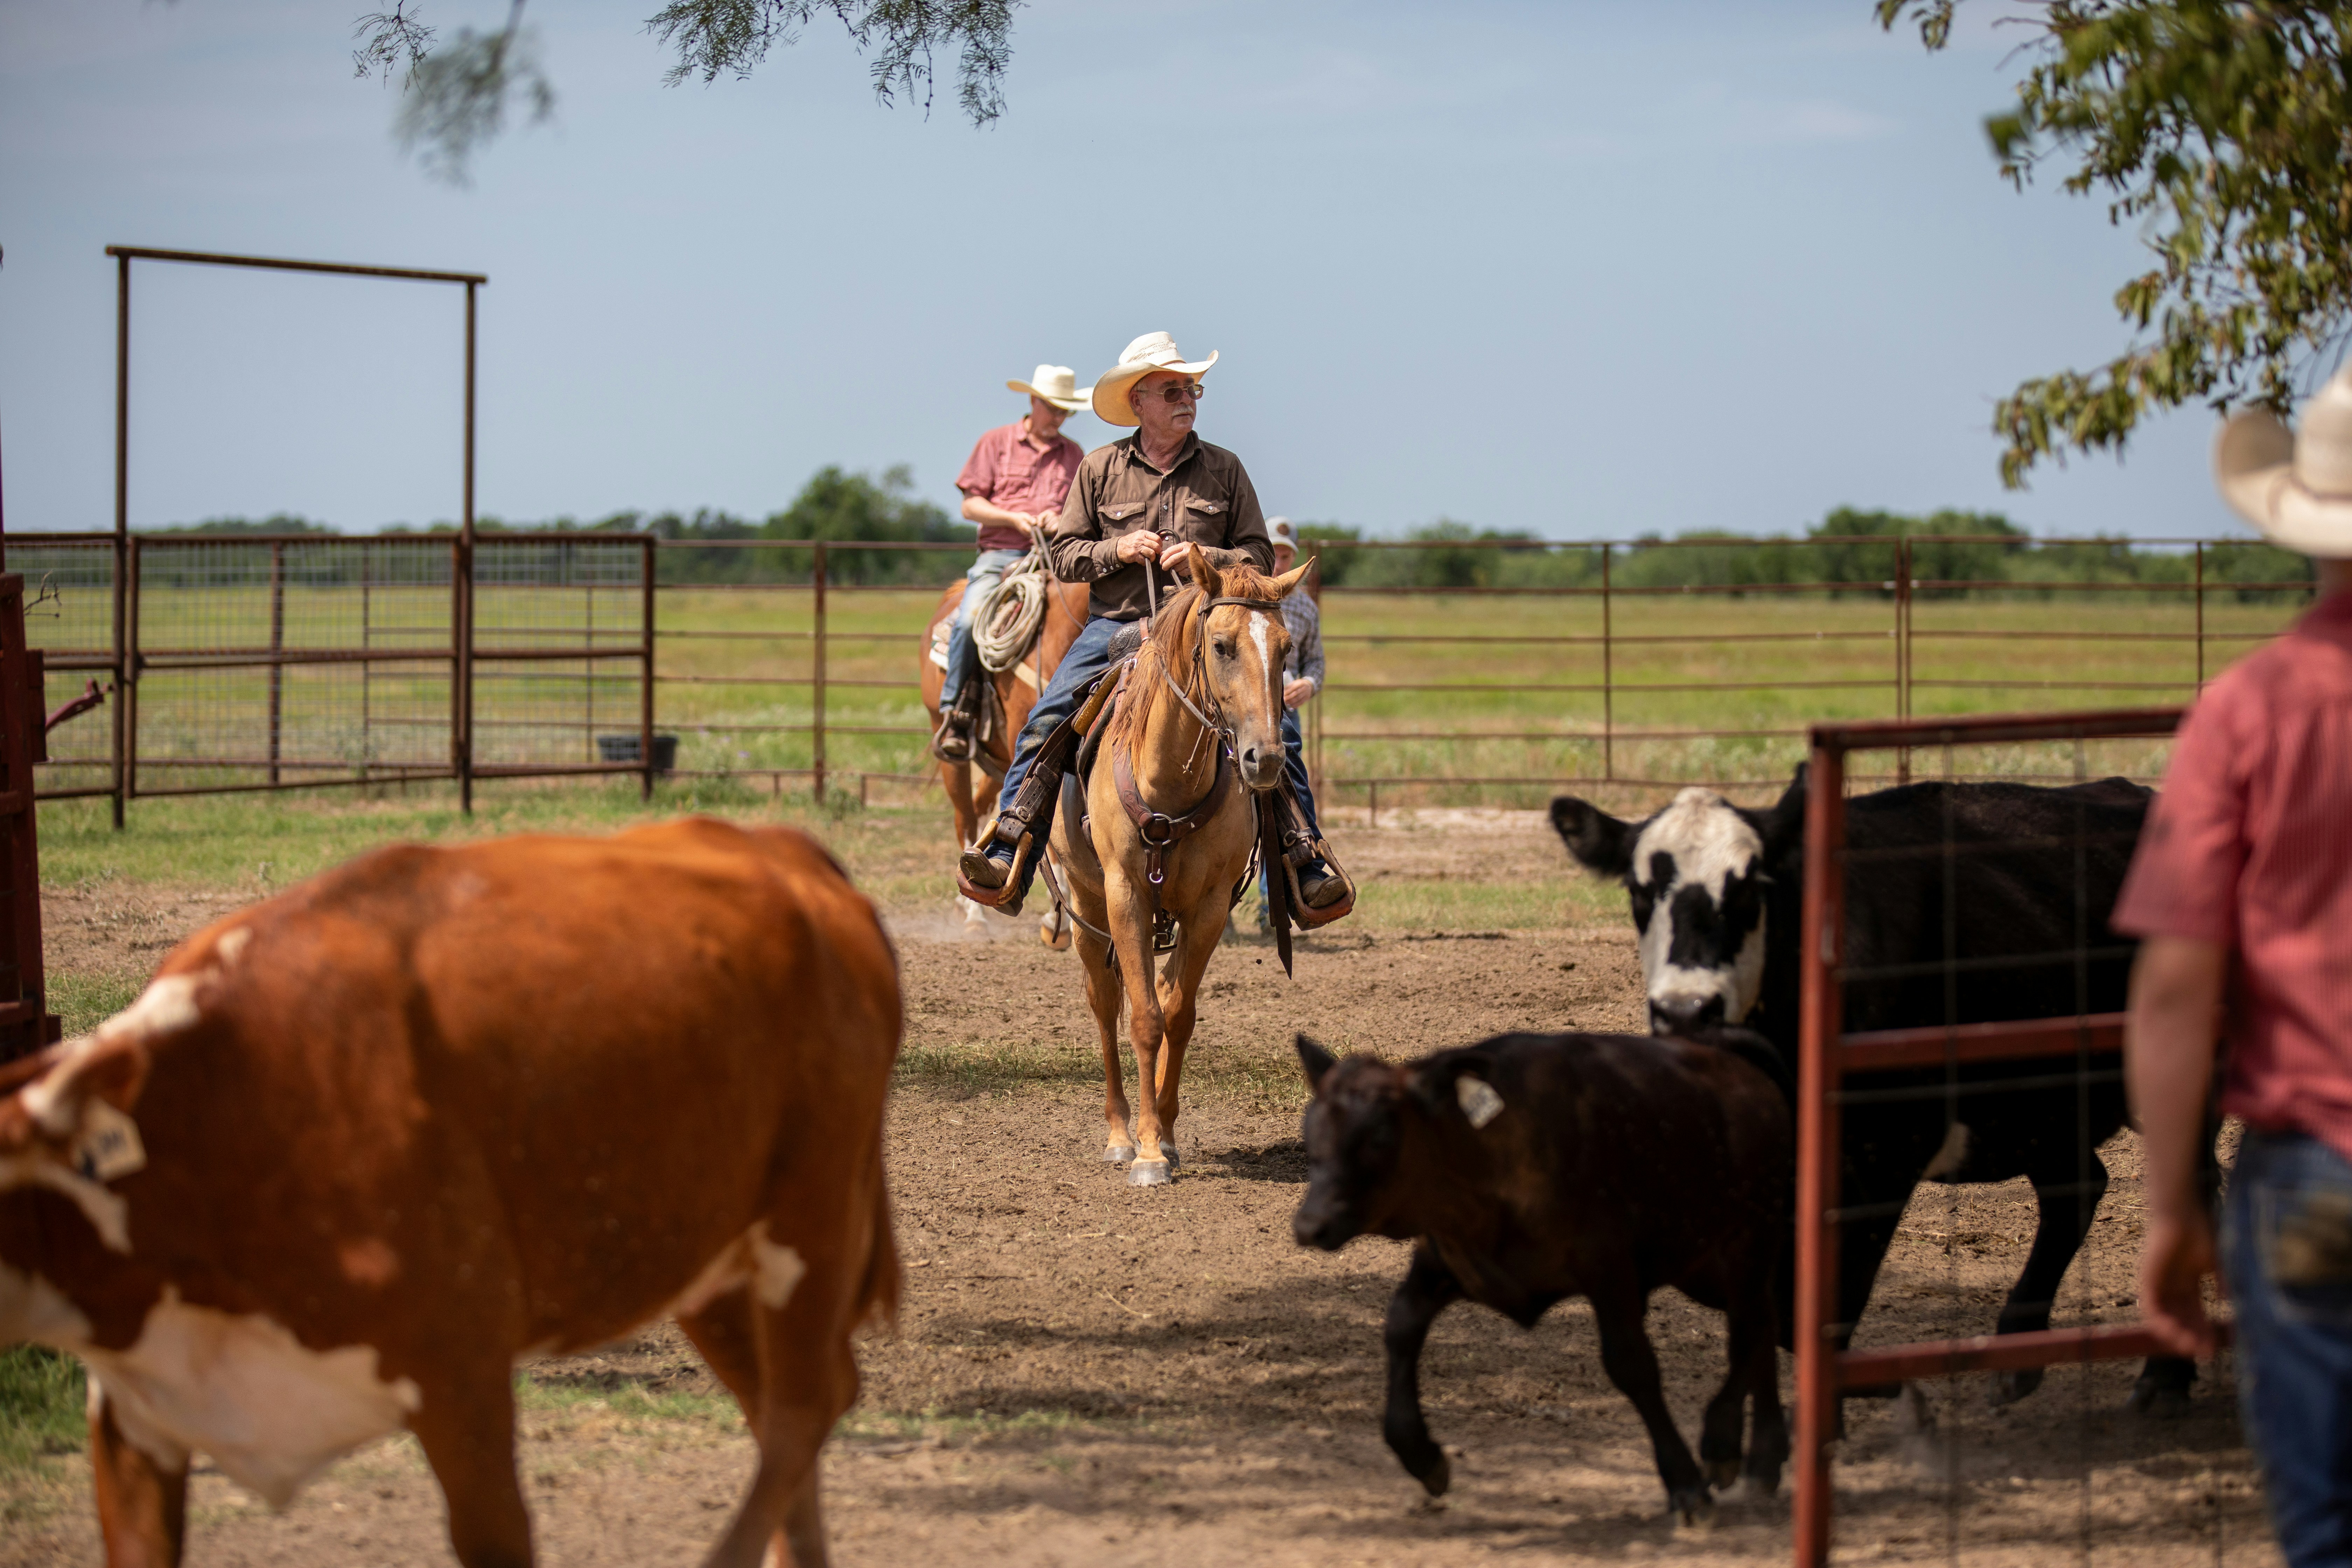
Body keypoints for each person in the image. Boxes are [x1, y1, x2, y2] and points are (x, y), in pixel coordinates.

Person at [2121, 364, 2352, 1568]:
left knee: (2326, 1528)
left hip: (2317, 1173)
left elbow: (2173, 988)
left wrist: (2171, 1208)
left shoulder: (2249, 711)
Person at [957, 331, 1350, 918]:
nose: (1187, 399)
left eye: (1192, 390)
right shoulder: (1099, 469)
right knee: (1047, 720)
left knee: (1278, 730)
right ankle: (1010, 849)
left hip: (1205, 631)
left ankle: (1303, 859)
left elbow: (1259, 554)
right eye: (1173, 391)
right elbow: (1065, 555)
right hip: (1117, 626)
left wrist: (1208, 556)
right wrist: (1116, 550)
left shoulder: (1225, 469)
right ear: (1138, 400)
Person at [933, 364, 1091, 762]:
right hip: (1000, 555)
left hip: (1055, 556)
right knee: (969, 620)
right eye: (1052, 408)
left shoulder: (1074, 455)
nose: (1058, 417)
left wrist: (1062, 520)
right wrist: (1012, 518)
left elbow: (1084, 511)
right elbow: (971, 505)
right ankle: (958, 711)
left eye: (1065, 410)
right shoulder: (996, 443)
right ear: (1033, 402)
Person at [1258, 517, 1336, 923]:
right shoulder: (1245, 597)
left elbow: (1316, 662)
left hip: (1285, 710)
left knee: (1287, 785)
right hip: (1246, 706)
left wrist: (1309, 683)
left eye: (1286, 555)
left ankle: (1285, 889)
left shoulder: (1305, 606)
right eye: (1272, 553)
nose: (1278, 562)